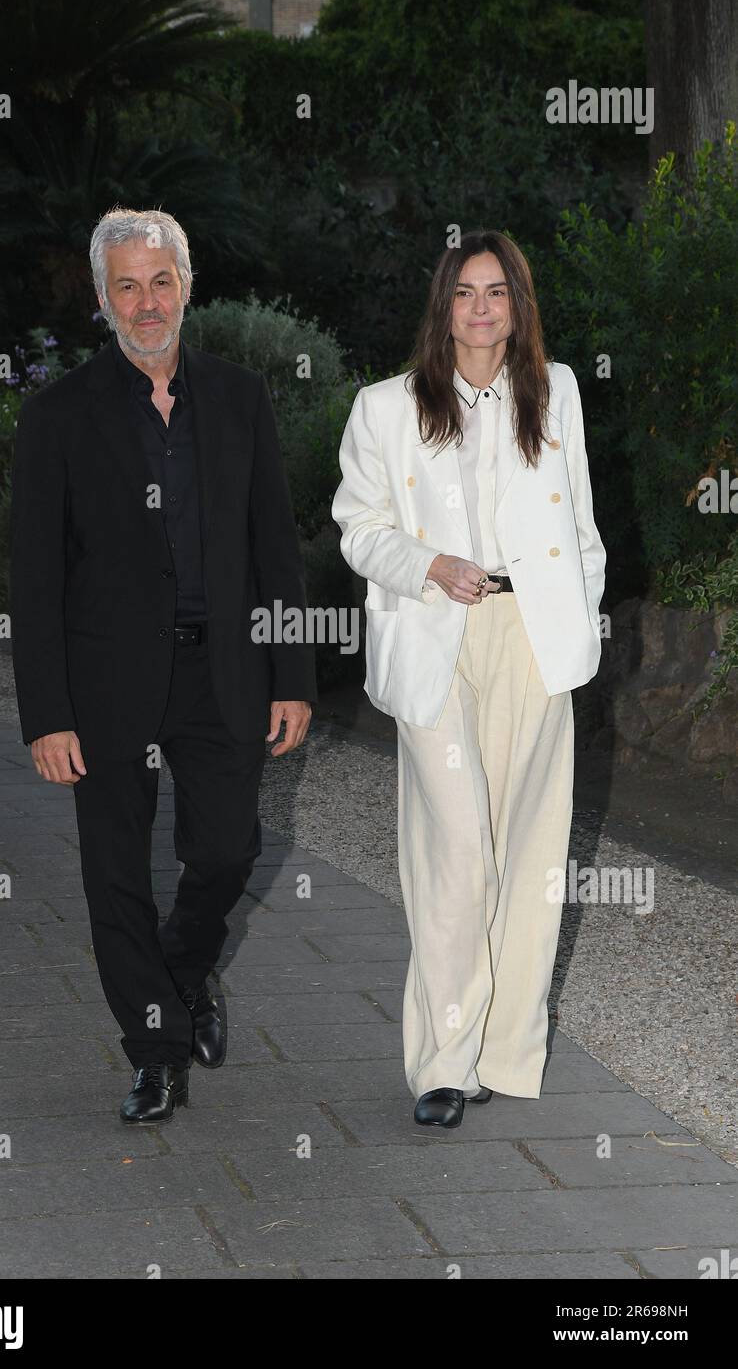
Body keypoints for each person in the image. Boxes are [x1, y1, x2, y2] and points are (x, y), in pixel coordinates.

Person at [10, 207, 315, 1124]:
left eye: (161, 281)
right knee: (115, 875)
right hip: (104, 685)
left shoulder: (240, 397)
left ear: (188, 286)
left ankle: (180, 975)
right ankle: (155, 1049)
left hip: (222, 671)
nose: (147, 303)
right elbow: (35, 579)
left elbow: (275, 547)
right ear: (104, 300)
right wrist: (46, 713)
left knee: (230, 850)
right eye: (127, 286)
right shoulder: (57, 415)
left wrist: (293, 675)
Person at [332, 229, 606, 1130]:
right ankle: (443, 1062)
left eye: (497, 293)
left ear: (518, 307)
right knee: (454, 850)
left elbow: (584, 529)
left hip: (532, 638)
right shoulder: (385, 408)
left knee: (530, 854)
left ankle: (505, 1054)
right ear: (441, 306)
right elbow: (358, 529)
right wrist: (428, 565)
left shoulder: (556, 390)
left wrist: (570, 618)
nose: (482, 309)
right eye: (464, 293)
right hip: (437, 635)